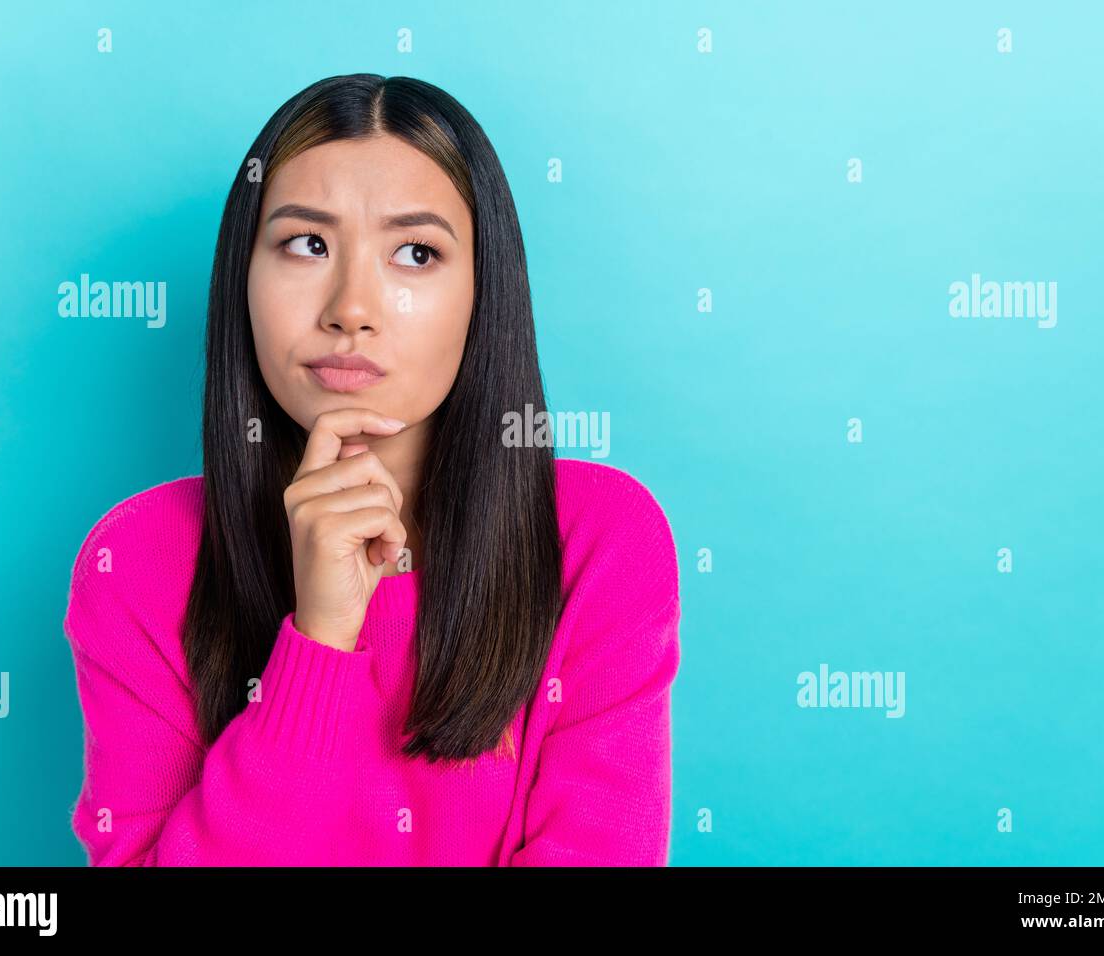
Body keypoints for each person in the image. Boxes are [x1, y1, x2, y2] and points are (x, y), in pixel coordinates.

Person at [62, 73, 682, 866]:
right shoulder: (138, 561)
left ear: (482, 293)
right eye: (306, 244)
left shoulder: (600, 540)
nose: (352, 306)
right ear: (241, 278)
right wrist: (318, 647)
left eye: (415, 253)